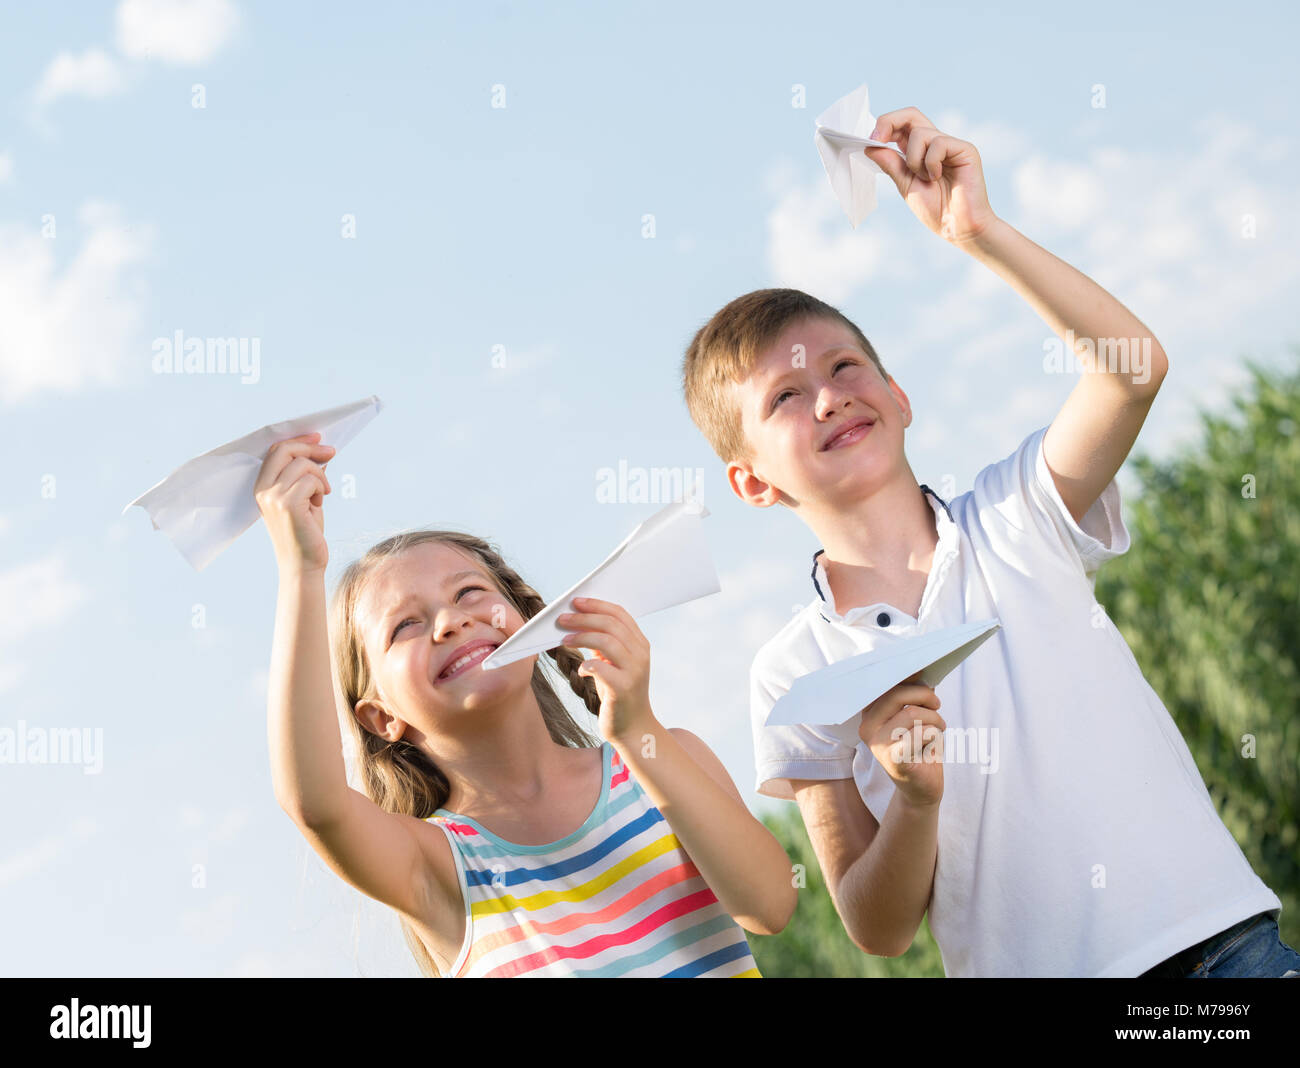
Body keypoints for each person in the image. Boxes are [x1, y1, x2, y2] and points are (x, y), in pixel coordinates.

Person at [677, 105, 1298, 977]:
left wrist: (977, 232)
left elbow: (1134, 368)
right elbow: (876, 926)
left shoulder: (1018, 513)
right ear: (751, 483)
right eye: (784, 396)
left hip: (1223, 954)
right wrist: (915, 801)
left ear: (898, 395)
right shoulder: (794, 669)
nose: (826, 396)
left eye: (845, 367)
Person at [255, 432, 793, 977]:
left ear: (527, 621)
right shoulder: (437, 866)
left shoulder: (667, 760)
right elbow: (315, 804)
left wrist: (638, 731)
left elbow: (770, 907)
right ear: (381, 717)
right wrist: (301, 567)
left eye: (469, 593)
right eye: (406, 626)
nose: (451, 622)